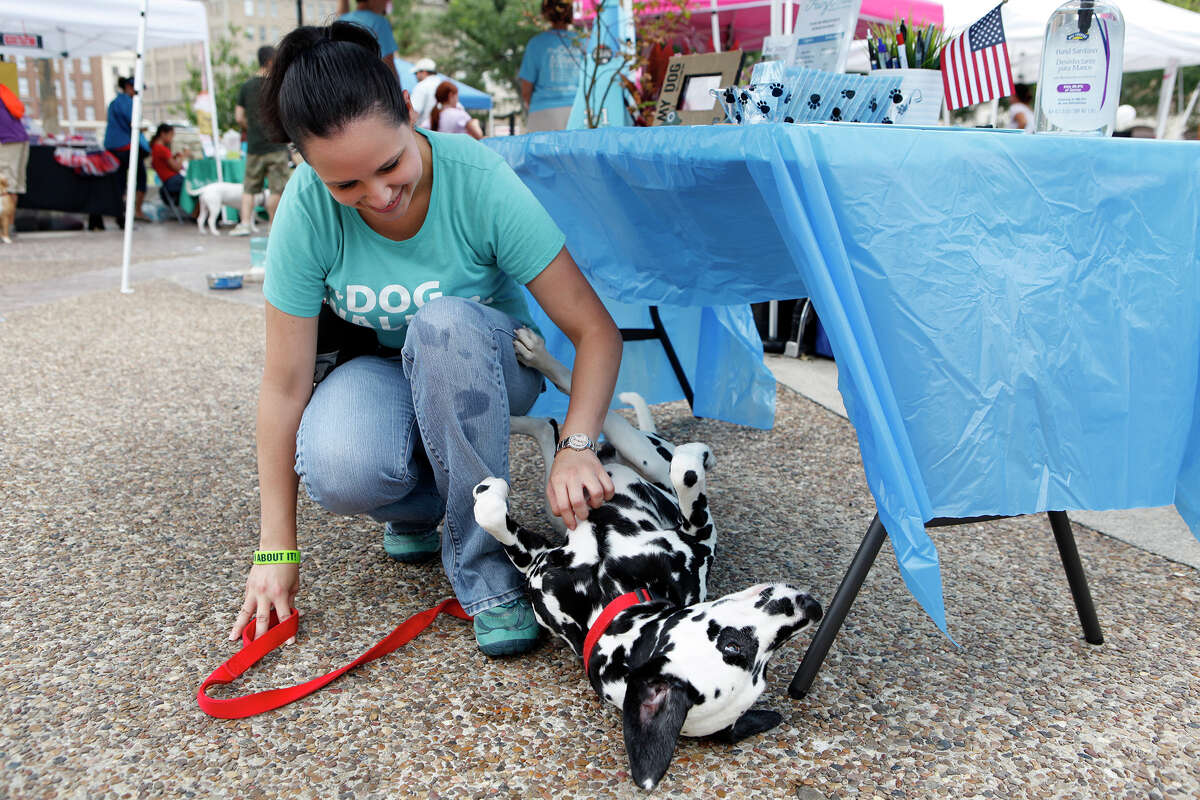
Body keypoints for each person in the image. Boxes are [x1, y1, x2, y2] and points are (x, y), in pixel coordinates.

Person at [229, 21, 622, 658]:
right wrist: (276, 549)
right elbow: (284, 385)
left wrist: (578, 445)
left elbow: (595, 330)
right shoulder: (304, 209)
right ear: (307, 165)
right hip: (384, 367)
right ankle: (417, 508)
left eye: (389, 166)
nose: (379, 196)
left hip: (487, 360)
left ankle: (485, 570)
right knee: (339, 468)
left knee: (442, 322)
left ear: (409, 112)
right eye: (346, 185)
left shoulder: (478, 180)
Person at [230, 46, 291, 236]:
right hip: (276, 145)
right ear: (271, 61)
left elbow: (239, 116)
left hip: (254, 146)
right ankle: (273, 225)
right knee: (277, 188)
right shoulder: (276, 85)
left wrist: (251, 128)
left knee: (249, 187)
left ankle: (245, 223)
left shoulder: (246, 86)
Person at [519, 0, 584, 132]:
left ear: (545, 14)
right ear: (571, 13)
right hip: (577, 111)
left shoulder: (536, 43)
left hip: (543, 113)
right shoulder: (583, 42)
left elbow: (526, 91)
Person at [103, 76, 151, 223]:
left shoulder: (113, 102)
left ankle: (119, 212)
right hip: (126, 146)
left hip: (112, 146)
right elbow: (133, 123)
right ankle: (136, 211)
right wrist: (143, 128)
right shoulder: (128, 102)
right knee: (141, 178)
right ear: (130, 87)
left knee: (120, 181)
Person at [338, 0, 402, 82]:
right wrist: (398, 91)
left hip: (342, 81)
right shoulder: (379, 22)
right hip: (366, 85)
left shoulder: (341, 19)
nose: (386, 4)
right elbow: (388, 65)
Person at [0, 81, 29, 240]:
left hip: (7, 141)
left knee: (4, 185)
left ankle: (6, 230)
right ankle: (8, 227)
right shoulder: (3, 89)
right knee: (13, 186)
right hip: (19, 138)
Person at [148, 123, 192, 211]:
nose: (172, 138)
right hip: (172, 182)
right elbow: (177, 168)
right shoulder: (162, 149)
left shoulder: (155, 148)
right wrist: (183, 156)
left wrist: (174, 158)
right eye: (171, 135)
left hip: (168, 182)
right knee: (195, 184)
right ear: (163, 134)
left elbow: (163, 164)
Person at [408, 58, 444, 129]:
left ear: (424, 72)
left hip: (425, 134)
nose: (416, 76)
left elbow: (413, 112)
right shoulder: (442, 84)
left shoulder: (421, 86)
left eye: (416, 73)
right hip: (442, 134)